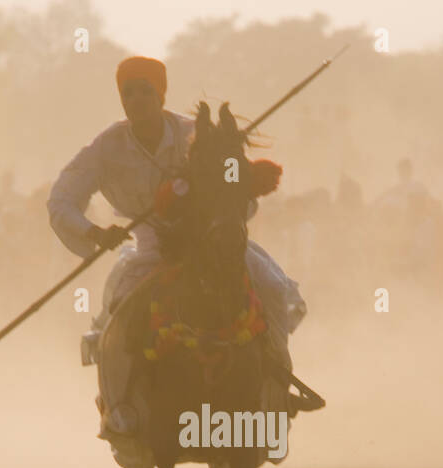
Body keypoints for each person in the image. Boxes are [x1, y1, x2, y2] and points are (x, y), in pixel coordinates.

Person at [46, 55, 308, 443]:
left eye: (145, 91)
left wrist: (223, 203)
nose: (136, 100)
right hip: (149, 248)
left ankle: (274, 399)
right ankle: (117, 410)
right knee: (115, 319)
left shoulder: (199, 137)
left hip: (212, 242)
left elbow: (242, 192)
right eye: (128, 93)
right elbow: (61, 201)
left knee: (271, 290)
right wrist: (96, 234)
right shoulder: (106, 147)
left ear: (162, 94)